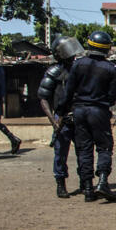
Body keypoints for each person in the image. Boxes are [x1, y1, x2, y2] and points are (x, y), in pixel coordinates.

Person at [60, 31, 116, 202]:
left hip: (79, 110)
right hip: (99, 111)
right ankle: (102, 181)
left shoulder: (78, 65)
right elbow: (112, 96)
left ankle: (87, 188)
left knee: (84, 149)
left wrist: (61, 110)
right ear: (107, 48)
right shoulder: (111, 68)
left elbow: (68, 91)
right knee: (104, 147)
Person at [37, 36, 84, 199]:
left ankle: (85, 182)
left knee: (83, 152)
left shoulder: (78, 69)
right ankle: (60, 183)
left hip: (78, 115)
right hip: (61, 117)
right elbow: (43, 98)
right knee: (60, 154)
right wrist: (53, 121)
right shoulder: (53, 72)